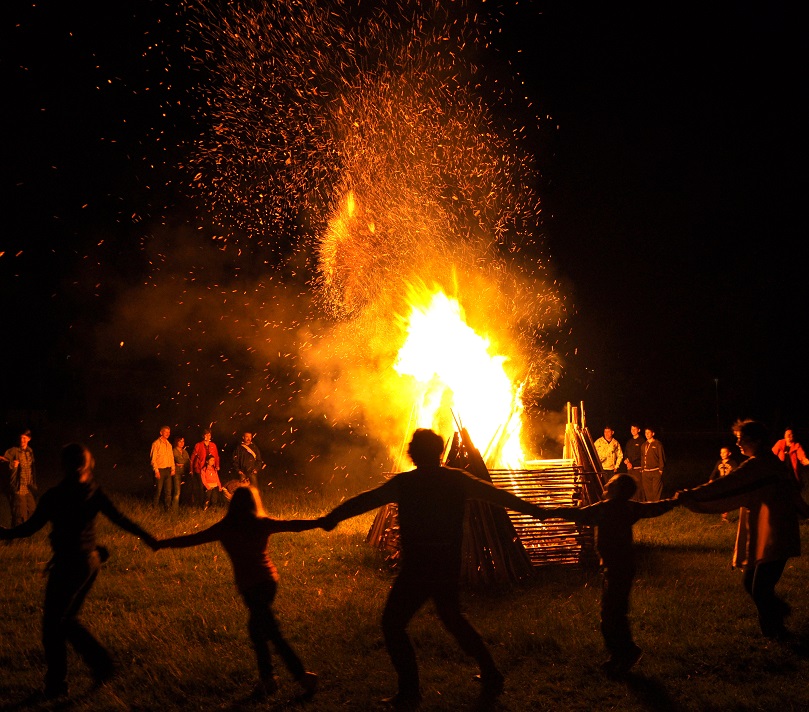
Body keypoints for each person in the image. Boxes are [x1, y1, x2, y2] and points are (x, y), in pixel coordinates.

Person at [320, 428, 546, 710]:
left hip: (419, 567)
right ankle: (490, 674)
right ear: (438, 452)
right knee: (453, 619)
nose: (409, 449)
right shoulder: (456, 479)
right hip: (445, 563)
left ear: (415, 453)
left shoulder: (406, 483)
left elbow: (367, 500)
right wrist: (536, 510)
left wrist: (335, 516)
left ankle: (410, 692)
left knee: (393, 624)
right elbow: (497, 496)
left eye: (412, 446)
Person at [0, 443, 157, 699]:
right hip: (89, 563)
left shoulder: (55, 495)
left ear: (65, 466)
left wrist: (5, 533)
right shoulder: (92, 490)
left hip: (69, 565)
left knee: (53, 626)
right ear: (85, 465)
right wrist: (147, 537)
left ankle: (62, 681)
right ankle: (97, 666)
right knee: (66, 620)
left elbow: (31, 528)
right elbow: (120, 518)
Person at [154, 486, 319, 700]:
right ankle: (269, 679)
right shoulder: (260, 523)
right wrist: (320, 522)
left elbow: (193, 539)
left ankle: (300, 677)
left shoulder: (226, 527)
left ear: (233, 505)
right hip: (267, 581)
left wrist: (163, 543)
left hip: (251, 586)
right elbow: (292, 525)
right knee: (258, 631)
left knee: (271, 633)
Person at [536, 474, 676, 675]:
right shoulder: (629, 507)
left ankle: (627, 652)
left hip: (616, 568)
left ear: (616, 489)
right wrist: (675, 501)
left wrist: (550, 512)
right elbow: (653, 508)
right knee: (614, 612)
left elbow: (579, 514)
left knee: (612, 614)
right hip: (623, 566)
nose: (606, 484)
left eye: (611, 483)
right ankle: (618, 655)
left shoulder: (607, 508)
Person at [678, 420, 806, 640]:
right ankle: (778, 614)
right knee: (751, 583)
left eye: (741, 439)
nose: (737, 444)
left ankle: (776, 632)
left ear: (756, 441)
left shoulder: (759, 466)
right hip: (771, 534)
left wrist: (691, 495)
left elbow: (725, 485)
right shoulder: (768, 463)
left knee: (760, 589)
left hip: (775, 536)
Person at [4, 429, 38, 526]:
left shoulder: (30, 451)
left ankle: (28, 532)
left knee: (32, 510)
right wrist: (12, 464)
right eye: (20, 438)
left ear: (29, 439)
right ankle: (17, 534)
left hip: (29, 488)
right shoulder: (14, 450)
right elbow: (2, 460)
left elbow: (32, 469)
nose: (22, 440)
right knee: (20, 514)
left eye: (24, 438)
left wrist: (34, 485)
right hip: (18, 488)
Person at [709, 446, 739, 522]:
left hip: (728, 483)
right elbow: (714, 471)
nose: (722, 454)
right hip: (720, 483)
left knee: (726, 499)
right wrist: (711, 479)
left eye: (724, 452)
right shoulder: (719, 462)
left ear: (729, 453)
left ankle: (724, 517)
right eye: (721, 452)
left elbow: (736, 472)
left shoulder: (733, 463)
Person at [191, 429, 220, 507]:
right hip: (200, 468)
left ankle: (210, 503)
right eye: (206, 434)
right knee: (201, 486)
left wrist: (217, 465)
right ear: (203, 435)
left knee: (211, 486)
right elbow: (192, 458)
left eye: (209, 435)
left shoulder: (213, 445)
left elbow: (216, 456)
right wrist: (191, 470)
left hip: (210, 469)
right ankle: (202, 504)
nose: (208, 436)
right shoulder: (198, 445)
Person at [150, 426, 175, 509]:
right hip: (160, 470)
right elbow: (153, 459)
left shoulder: (169, 445)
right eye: (166, 432)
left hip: (168, 470)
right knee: (158, 490)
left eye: (169, 432)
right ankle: (154, 507)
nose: (168, 434)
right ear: (161, 433)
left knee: (168, 491)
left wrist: (173, 468)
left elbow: (171, 457)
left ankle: (167, 508)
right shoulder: (156, 444)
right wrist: (156, 471)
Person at [640, 427, 666, 502]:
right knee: (648, 491)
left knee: (656, 491)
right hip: (646, 472)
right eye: (645, 433)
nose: (647, 434)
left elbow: (661, 457)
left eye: (648, 432)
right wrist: (642, 469)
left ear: (653, 433)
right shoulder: (644, 445)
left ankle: (656, 506)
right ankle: (650, 506)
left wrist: (661, 469)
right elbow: (642, 457)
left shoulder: (658, 444)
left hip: (655, 471)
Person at [623, 424, 644, 501]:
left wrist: (632, 464)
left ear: (639, 430)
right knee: (631, 486)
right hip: (630, 469)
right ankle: (633, 502)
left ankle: (641, 502)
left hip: (638, 468)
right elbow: (625, 454)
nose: (633, 431)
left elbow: (641, 455)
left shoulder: (642, 441)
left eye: (635, 429)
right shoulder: (629, 442)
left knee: (639, 487)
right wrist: (627, 462)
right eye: (632, 429)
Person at [173, 436, 191, 509]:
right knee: (177, 492)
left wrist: (183, 463)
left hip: (185, 473)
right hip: (177, 473)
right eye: (180, 441)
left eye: (183, 441)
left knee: (185, 491)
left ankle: (184, 507)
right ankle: (174, 509)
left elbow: (188, 462)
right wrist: (182, 462)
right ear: (176, 442)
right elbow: (179, 460)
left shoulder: (185, 451)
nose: (182, 443)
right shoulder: (174, 451)